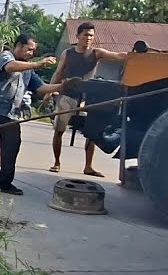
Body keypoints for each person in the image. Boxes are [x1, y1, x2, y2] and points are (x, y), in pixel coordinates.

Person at [0, 34, 75, 196]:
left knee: (11, 148)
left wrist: (63, 86)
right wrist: (37, 64)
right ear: (19, 45)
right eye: (29, 49)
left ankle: (3, 183)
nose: (31, 53)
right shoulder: (6, 57)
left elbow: (41, 88)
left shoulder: (28, 71)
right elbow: (9, 67)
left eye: (33, 51)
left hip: (12, 115)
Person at [49, 22, 126, 176]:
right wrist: (49, 91)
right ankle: (57, 162)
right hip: (68, 95)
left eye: (91, 35)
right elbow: (58, 73)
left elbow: (117, 56)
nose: (88, 38)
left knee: (92, 132)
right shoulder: (68, 53)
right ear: (78, 36)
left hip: (88, 98)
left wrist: (136, 55)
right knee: (59, 130)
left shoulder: (96, 53)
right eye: (85, 35)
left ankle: (88, 166)